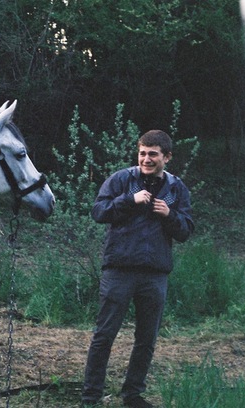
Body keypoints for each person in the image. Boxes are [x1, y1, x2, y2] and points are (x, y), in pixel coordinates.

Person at [81, 130, 194, 408]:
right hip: (118, 271)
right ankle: (91, 397)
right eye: (142, 153)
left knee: (146, 339)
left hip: (155, 275)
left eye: (153, 154)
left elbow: (185, 230)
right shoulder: (121, 180)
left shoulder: (177, 189)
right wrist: (129, 201)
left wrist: (169, 215)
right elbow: (98, 212)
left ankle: (132, 395)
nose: (146, 159)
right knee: (104, 336)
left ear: (167, 157)